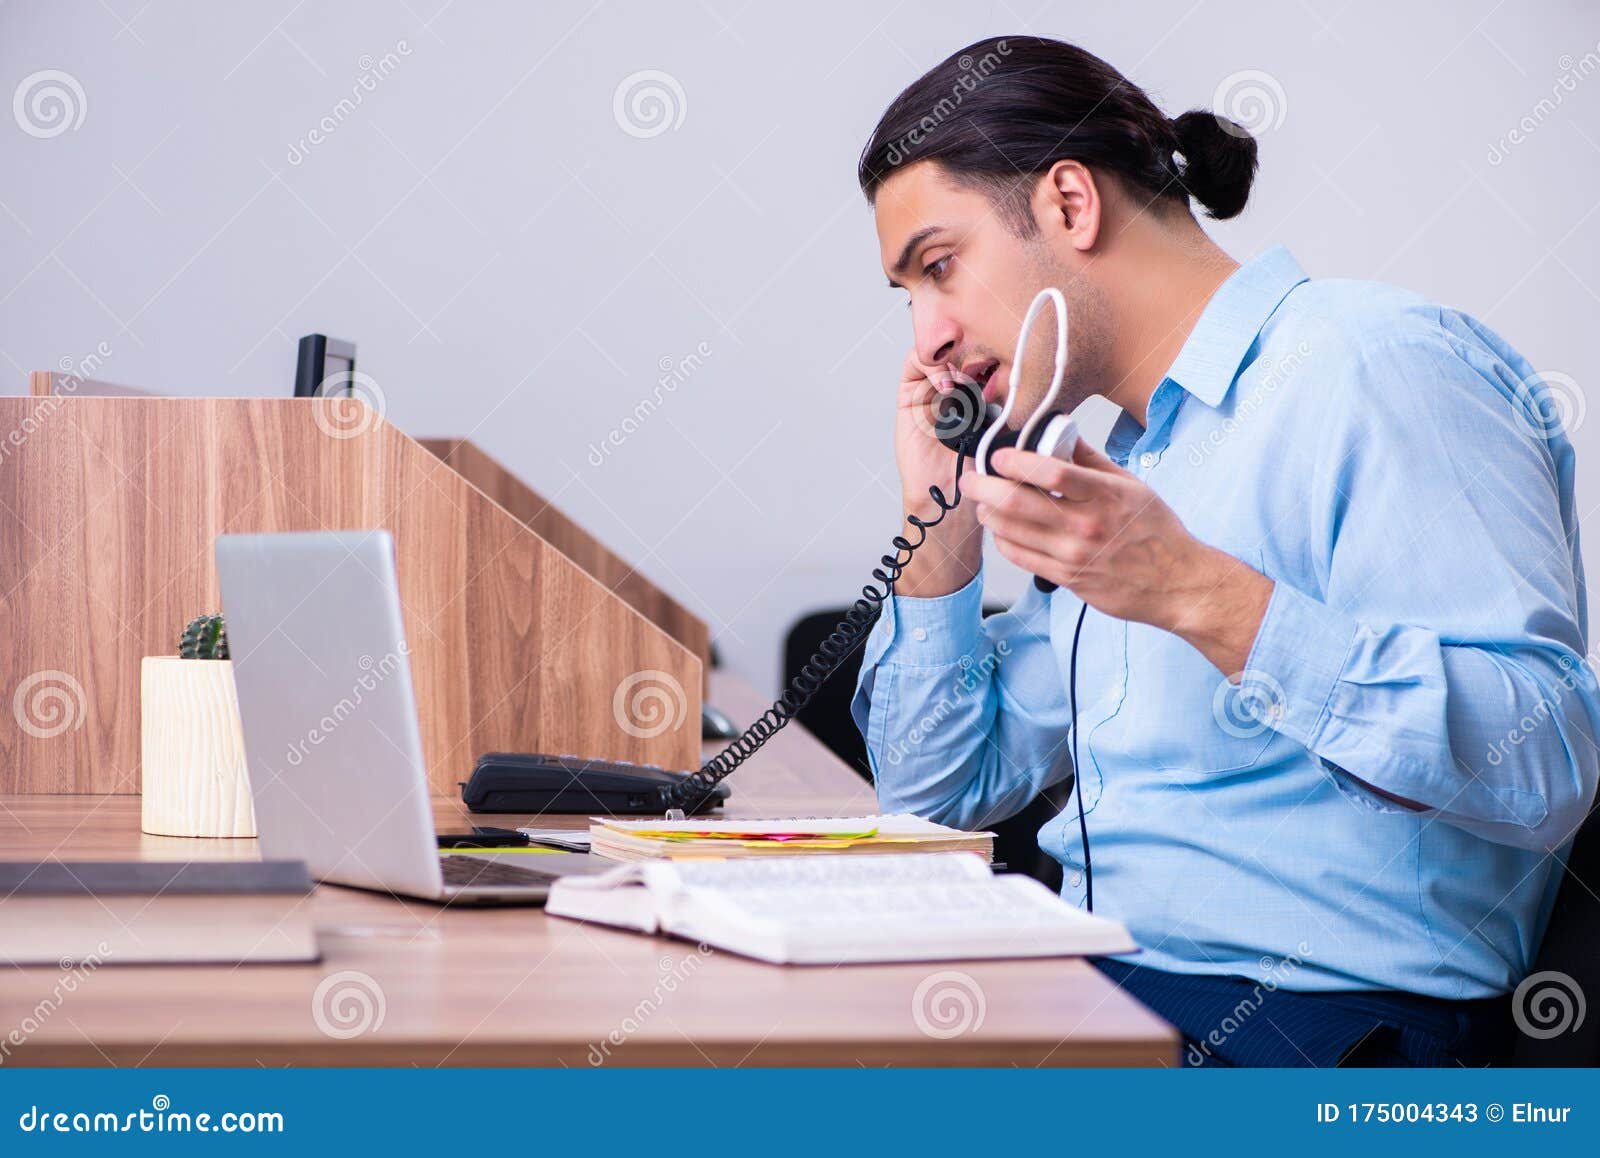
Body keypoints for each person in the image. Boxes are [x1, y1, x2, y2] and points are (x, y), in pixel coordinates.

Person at [850, 35, 1599, 1066]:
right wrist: (936, 528)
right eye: (908, 298)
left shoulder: (1376, 365)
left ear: (1069, 204)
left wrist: (1206, 598)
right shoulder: (1129, 465)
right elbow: (930, 810)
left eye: (939, 268)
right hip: (1113, 1000)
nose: (925, 337)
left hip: (1314, 1039)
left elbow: (1550, 762)